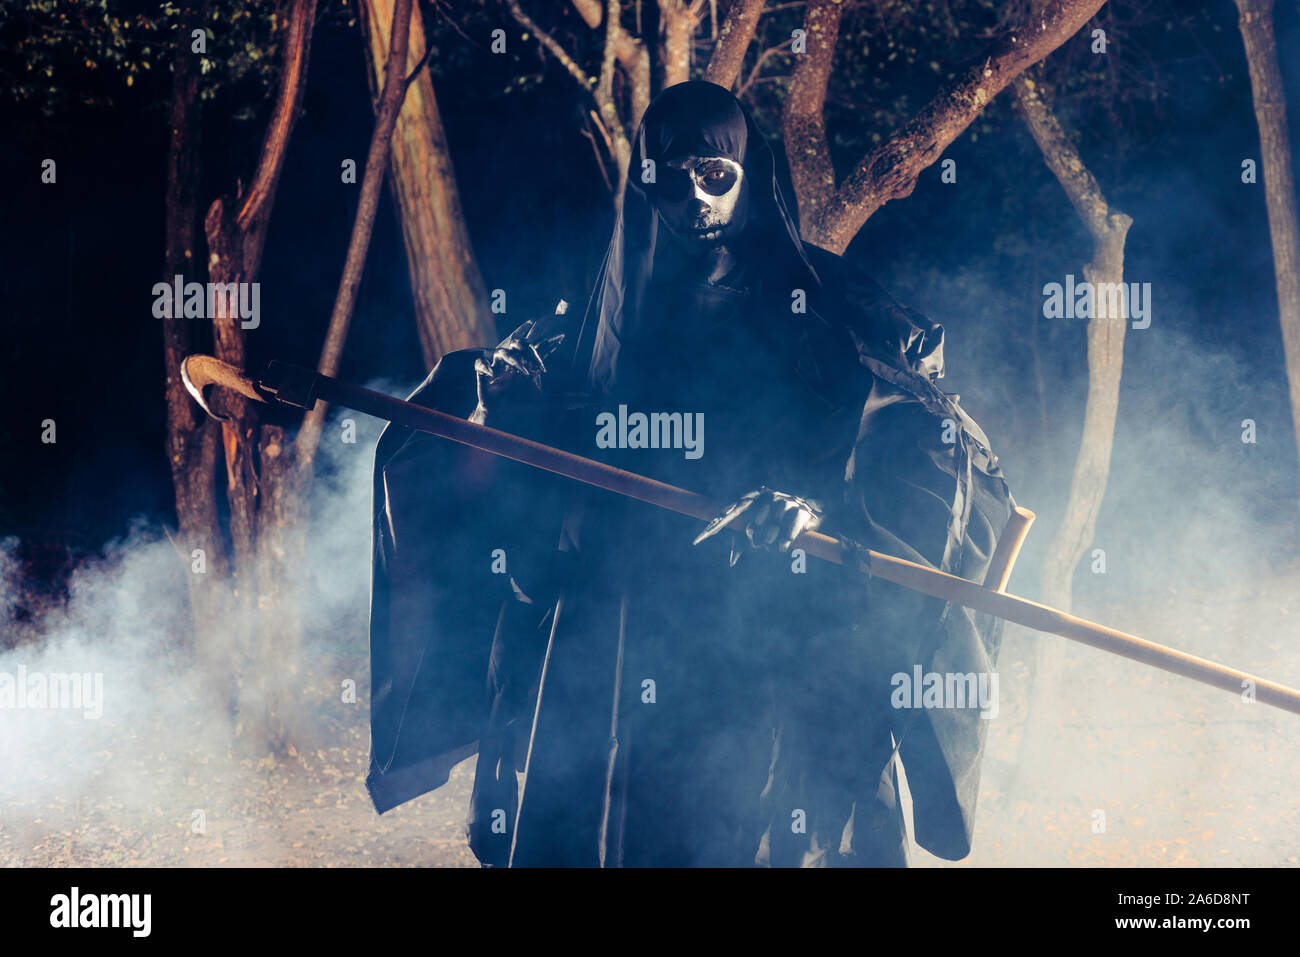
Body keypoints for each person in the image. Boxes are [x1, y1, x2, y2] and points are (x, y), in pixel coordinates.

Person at [366, 80, 1014, 867]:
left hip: (771, 623)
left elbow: (921, 432)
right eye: (672, 179)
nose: (693, 198)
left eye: (716, 176)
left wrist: (812, 508)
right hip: (621, 630)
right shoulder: (604, 306)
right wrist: (493, 395)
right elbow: (535, 429)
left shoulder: (828, 303)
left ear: (748, 177)